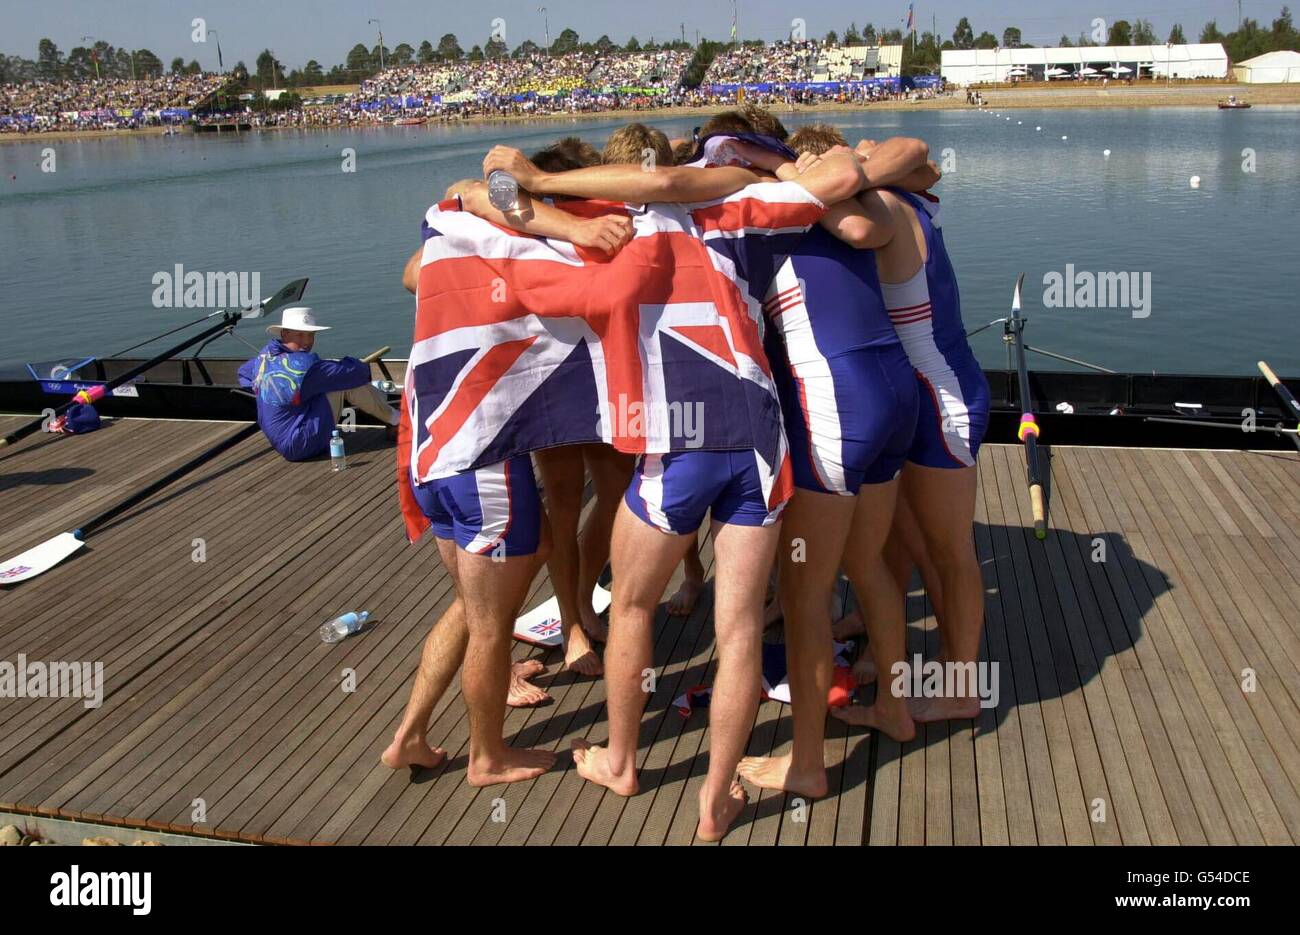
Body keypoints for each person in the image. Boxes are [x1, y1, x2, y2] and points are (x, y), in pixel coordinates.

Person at [481, 132, 922, 839]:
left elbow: (489, 204)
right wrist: (774, 161)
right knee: (741, 626)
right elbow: (845, 173)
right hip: (757, 442)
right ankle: (716, 798)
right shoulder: (741, 208)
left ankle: (622, 761)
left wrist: (524, 178)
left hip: (679, 446)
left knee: (629, 606)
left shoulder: (597, 234)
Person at [384, 167, 634, 783]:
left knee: (476, 606)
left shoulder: (442, 242)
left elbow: (430, 244)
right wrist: (581, 226)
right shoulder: (526, 252)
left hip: (426, 453)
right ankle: (487, 756)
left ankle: (410, 735)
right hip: (482, 462)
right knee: (492, 625)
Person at [729, 125, 936, 799]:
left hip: (835, 399)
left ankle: (808, 764)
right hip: (893, 389)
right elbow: (874, 208)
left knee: (805, 596)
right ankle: (897, 707)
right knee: (866, 562)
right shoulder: (847, 211)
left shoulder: (768, 208)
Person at [238, 306, 399, 461]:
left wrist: (272, 391)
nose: (307, 342)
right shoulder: (306, 368)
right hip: (302, 443)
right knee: (344, 382)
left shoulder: (264, 357)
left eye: (311, 335)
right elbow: (357, 372)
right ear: (284, 334)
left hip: (280, 441)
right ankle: (399, 421)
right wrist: (355, 365)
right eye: (300, 335)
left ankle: (391, 414)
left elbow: (243, 374)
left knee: (333, 380)